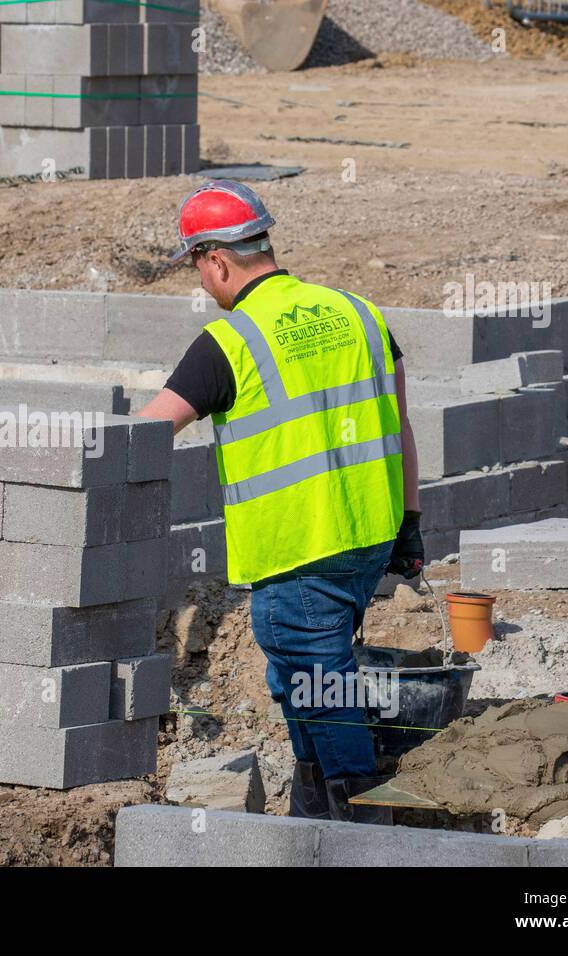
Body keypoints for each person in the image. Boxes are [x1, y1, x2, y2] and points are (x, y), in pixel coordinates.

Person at [137, 180, 424, 824]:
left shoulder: (229, 342)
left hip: (298, 550)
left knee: (319, 676)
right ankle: (313, 804)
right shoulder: (360, 312)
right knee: (301, 674)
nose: (204, 284)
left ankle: (357, 817)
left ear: (217, 260)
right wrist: (410, 526)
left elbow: (148, 431)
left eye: (199, 269)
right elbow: (400, 425)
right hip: (369, 535)